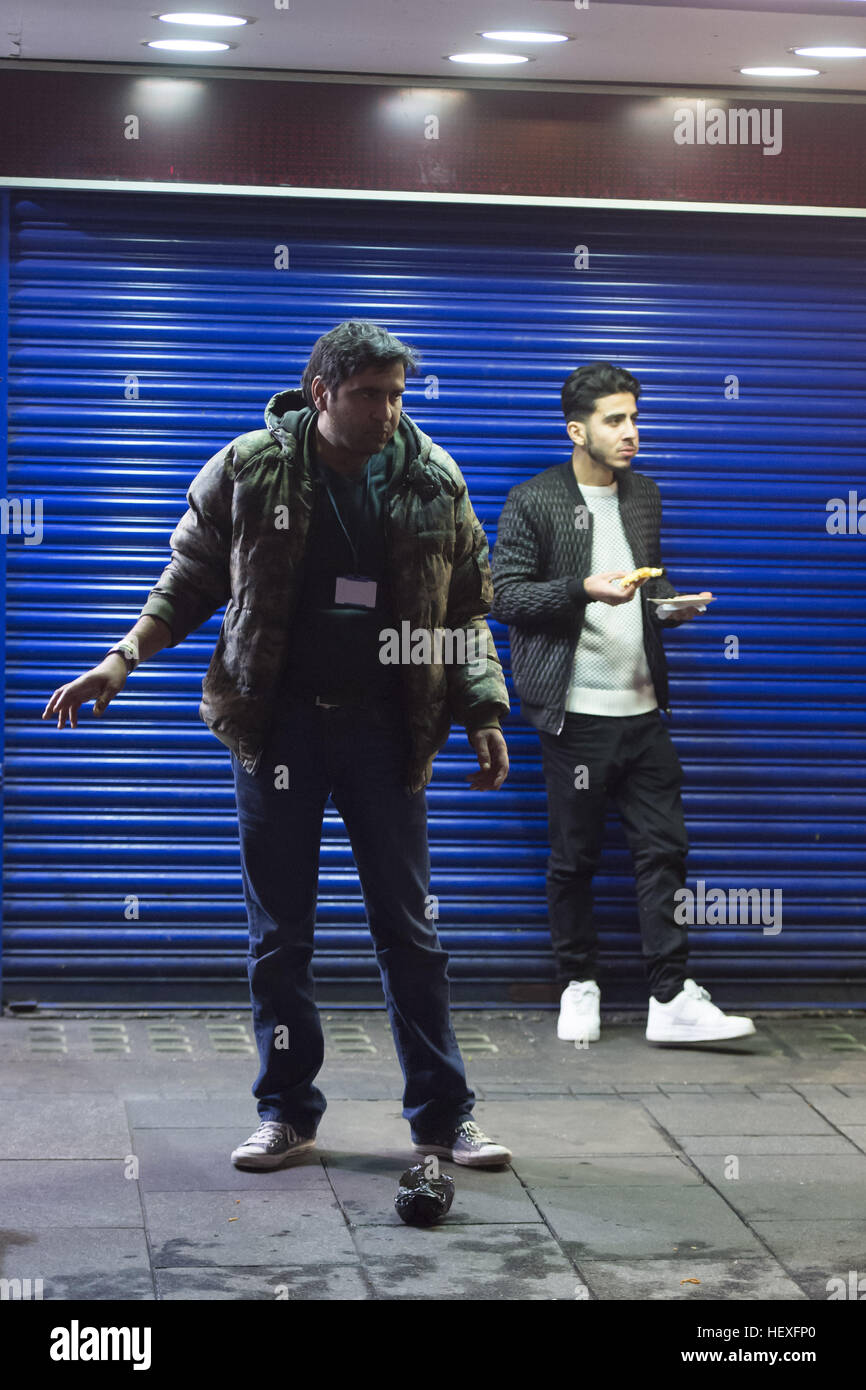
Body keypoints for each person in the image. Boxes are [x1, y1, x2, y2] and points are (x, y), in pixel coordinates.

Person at [43, 320, 513, 1168]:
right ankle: (288, 1111)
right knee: (280, 934)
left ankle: (444, 1117)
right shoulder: (252, 468)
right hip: (281, 725)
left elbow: (466, 609)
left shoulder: (432, 481)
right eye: (371, 396)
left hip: (385, 730)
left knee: (409, 930)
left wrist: (482, 709)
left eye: (397, 395)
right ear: (323, 392)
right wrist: (120, 661)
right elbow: (188, 577)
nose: (388, 413)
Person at [491, 361, 756, 1046]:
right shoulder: (534, 501)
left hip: (644, 714)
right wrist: (583, 588)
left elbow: (643, 590)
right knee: (574, 858)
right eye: (615, 420)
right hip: (573, 716)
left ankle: (670, 997)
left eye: (635, 418)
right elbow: (507, 598)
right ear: (577, 429)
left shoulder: (644, 497)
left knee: (665, 851)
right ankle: (578, 984)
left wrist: (668, 609)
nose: (631, 432)